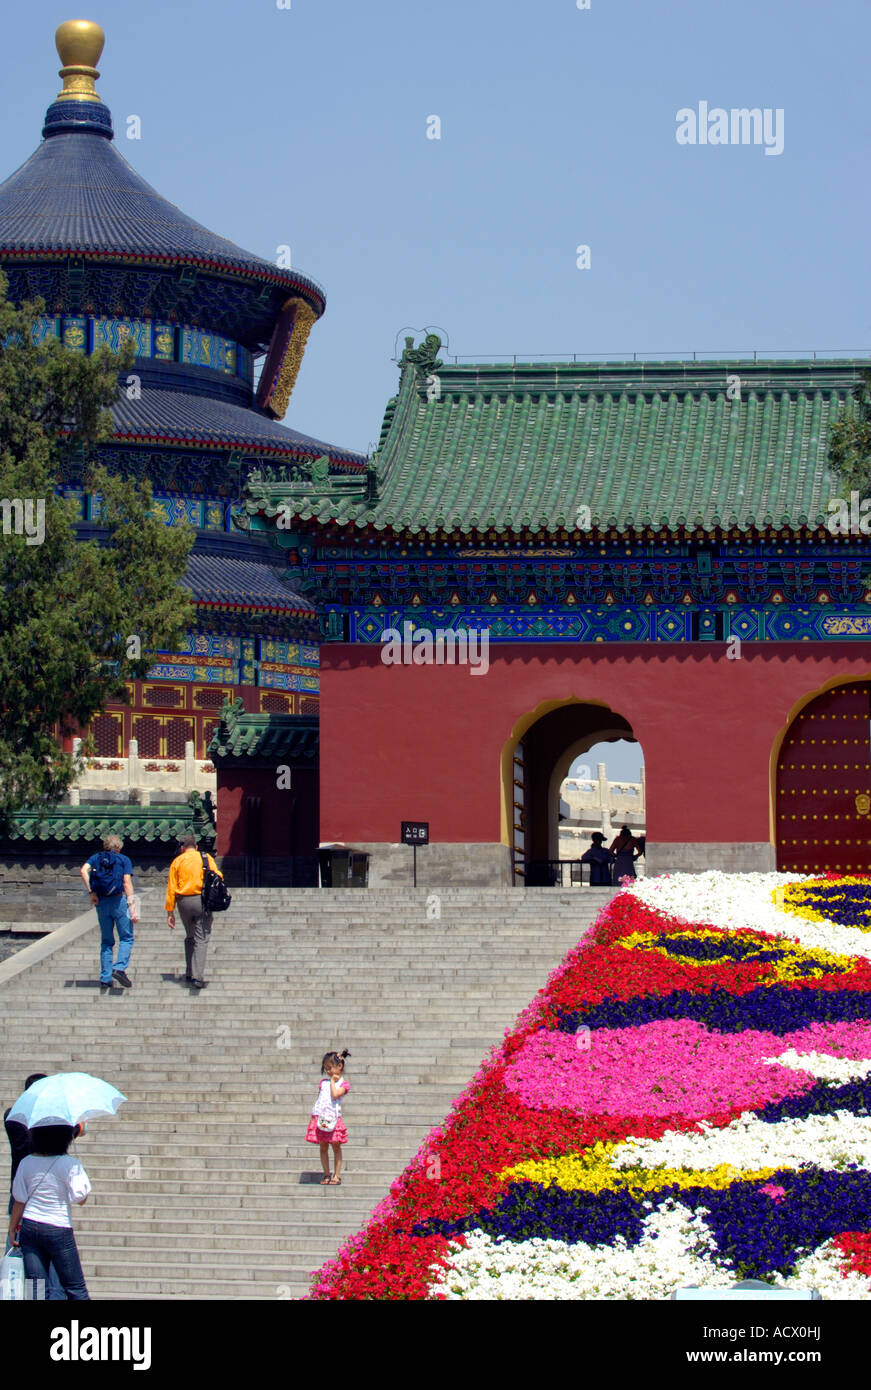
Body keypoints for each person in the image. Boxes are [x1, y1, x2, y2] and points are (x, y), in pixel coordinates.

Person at [8, 1123, 91, 1300]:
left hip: (30, 1226)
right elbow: (81, 1199)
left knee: (36, 1289)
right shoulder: (69, 1164)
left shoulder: (26, 1162)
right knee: (75, 1287)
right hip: (59, 1227)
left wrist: (13, 1226)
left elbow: (20, 1200)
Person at [165, 833, 224, 989]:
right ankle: (197, 977)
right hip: (202, 901)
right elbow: (218, 876)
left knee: (190, 936)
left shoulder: (177, 861)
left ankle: (189, 971)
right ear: (196, 847)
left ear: (183, 848)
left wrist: (170, 912)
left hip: (183, 901)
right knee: (201, 938)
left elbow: (171, 887)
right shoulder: (206, 858)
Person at [80, 833, 138, 992]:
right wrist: (132, 905)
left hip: (101, 902)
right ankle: (119, 968)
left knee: (106, 941)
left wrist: (91, 892)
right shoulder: (124, 859)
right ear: (118, 847)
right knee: (126, 937)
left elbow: (83, 871)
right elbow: (127, 883)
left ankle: (105, 978)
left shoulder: (95, 858)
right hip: (119, 901)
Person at [306, 1050, 350, 1185]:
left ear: (339, 1066)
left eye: (330, 1068)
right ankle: (326, 1174)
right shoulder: (322, 1083)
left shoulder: (344, 1084)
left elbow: (336, 1095)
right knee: (323, 1147)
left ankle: (336, 1175)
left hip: (334, 1118)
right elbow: (319, 1100)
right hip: (321, 1118)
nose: (328, 1071)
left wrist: (332, 1082)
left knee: (336, 1146)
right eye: (326, 1069)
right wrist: (313, 1116)